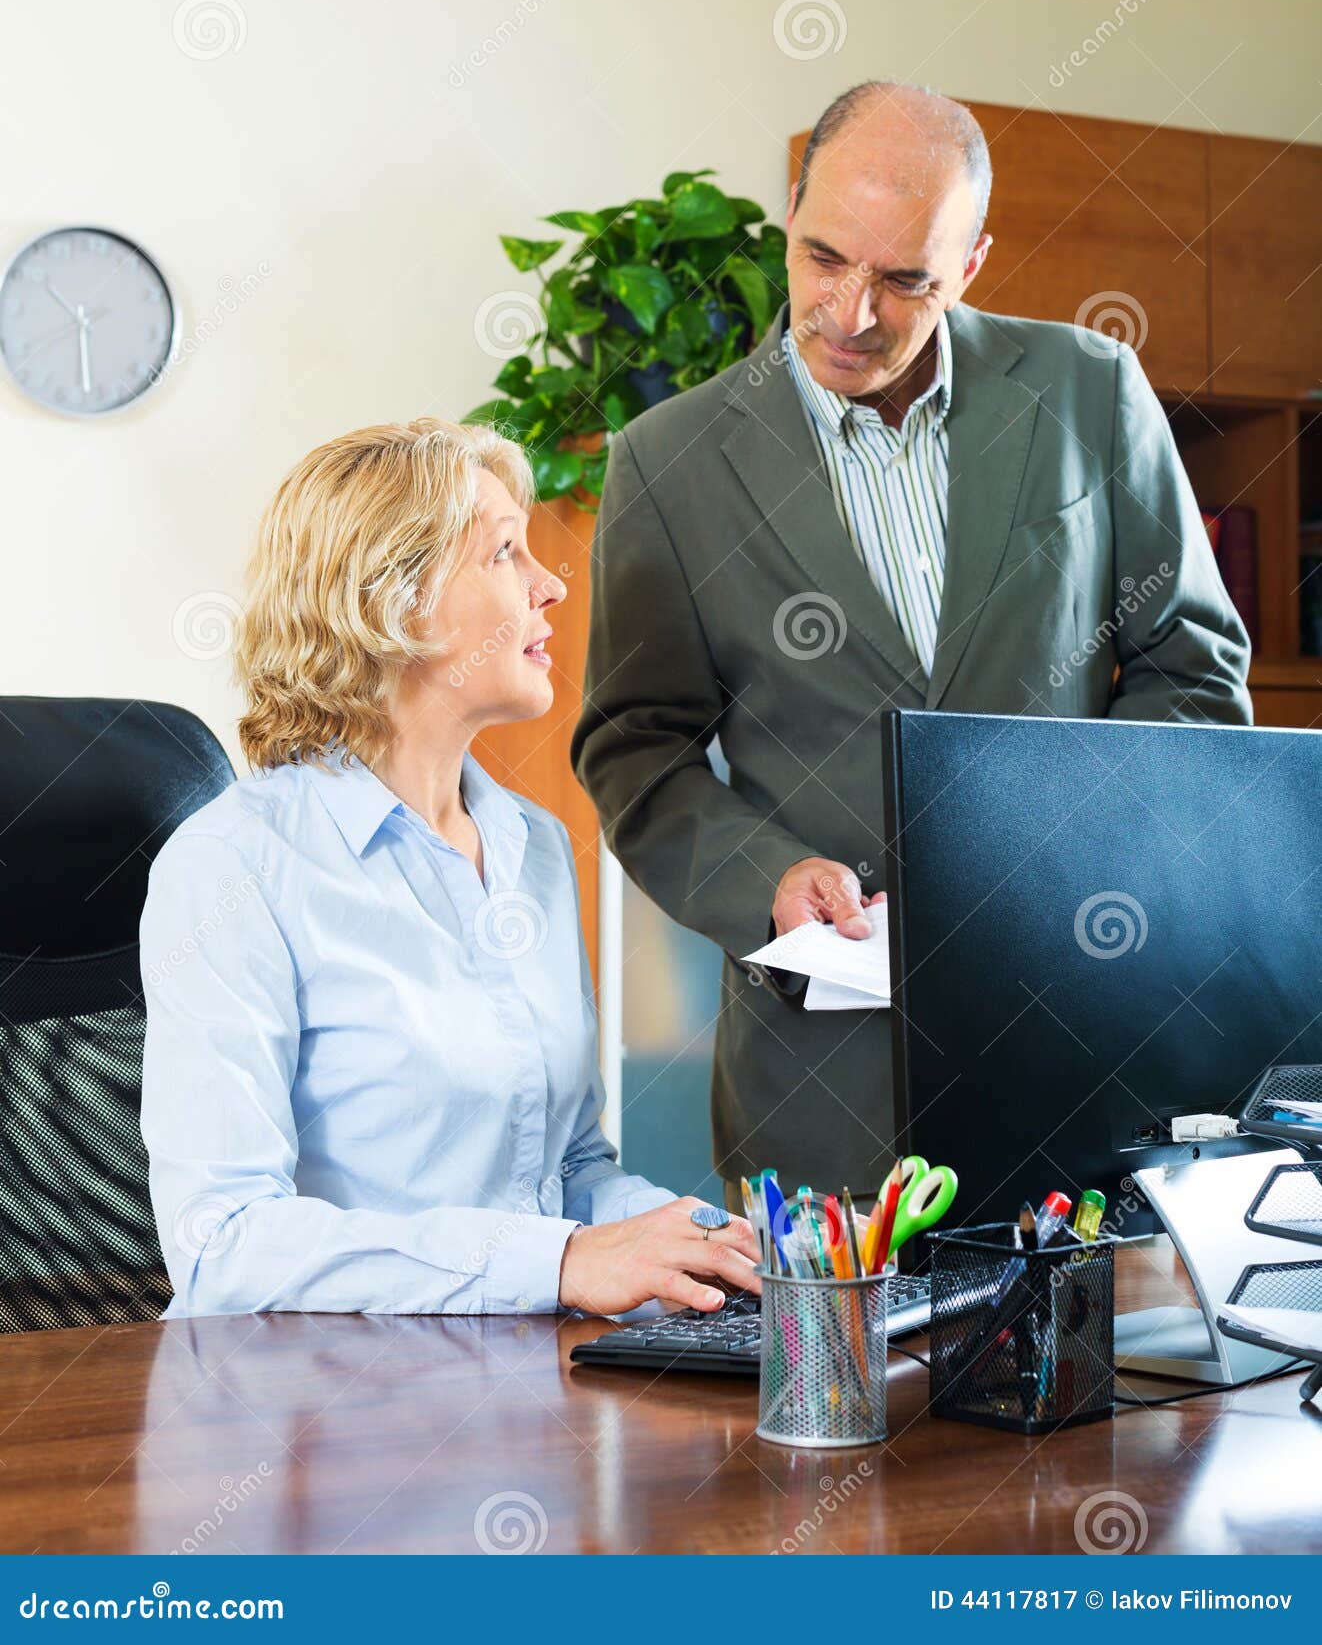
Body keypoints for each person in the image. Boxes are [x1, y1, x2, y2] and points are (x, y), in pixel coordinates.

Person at [571, 80, 1252, 1211]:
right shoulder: (668, 461)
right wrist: (767, 878)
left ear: (970, 265)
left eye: (903, 279)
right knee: (841, 1395)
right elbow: (636, 751)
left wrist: (1075, 849)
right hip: (820, 1089)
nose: (847, 313)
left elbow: (1189, 664)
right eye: (823, 257)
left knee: (1106, 1384)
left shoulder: (1090, 394)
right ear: (788, 218)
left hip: (1077, 1038)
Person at [139, 418, 761, 1317]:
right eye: (506, 553)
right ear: (393, 602)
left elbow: (571, 1173)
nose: (551, 585)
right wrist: (555, 1264)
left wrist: (716, 1243)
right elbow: (224, 1245)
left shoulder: (533, 846)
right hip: (328, 1417)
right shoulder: (234, 866)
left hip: (528, 1396)